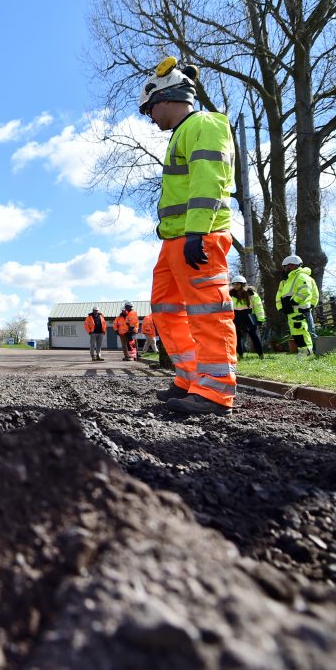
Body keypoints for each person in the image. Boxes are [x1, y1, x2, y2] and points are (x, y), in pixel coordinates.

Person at [140, 56, 237, 416]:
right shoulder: (183, 132)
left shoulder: (205, 124)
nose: (150, 116)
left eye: (150, 108)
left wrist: (197, 230)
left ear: (165, 98)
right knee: (165, 309)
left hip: (199, 237)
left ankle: (214, 391)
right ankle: (191, 377)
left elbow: (207, 180)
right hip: (175, 241)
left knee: (208, 311)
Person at [276, 254, 320, 356]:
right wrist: (281, 307)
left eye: (286, 266)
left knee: (305, 331)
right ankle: (304, 353)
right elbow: (280, 295)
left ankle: (311, 353)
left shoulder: (301, 277)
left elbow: (305, 291)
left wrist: (295, 301)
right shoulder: (287, 280)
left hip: (300, 309)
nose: (285, 268)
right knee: (297, 332)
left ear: (292, 265)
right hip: (291, 310)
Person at [229, 275, 265, 359]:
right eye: (233, 284)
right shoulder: (230, 294)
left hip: (248, 316)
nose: (235, 286)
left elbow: (258, 307)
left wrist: (260, 319)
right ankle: (240, 355)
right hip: (236, 316)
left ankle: (261, 355)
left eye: (237, 284)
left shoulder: (251, 294)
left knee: (254, 336)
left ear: (243, 284)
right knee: (236, 336)